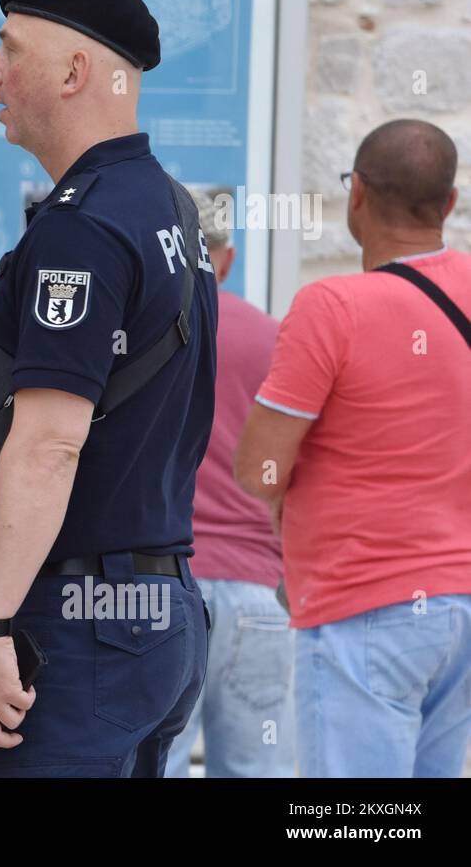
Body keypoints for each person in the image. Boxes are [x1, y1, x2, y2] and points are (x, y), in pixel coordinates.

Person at [0, 0, 218, 777]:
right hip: (156, 613)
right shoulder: (167, 206)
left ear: (73, 74)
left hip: (80, 626)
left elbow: (50, 443)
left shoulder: (84, 226)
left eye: (9, 49)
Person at [236, 119, 471, 778]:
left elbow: (259, 468)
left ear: (357, 195)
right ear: (449, 204)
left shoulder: (331, 306)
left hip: (363, 602)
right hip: (460, 599)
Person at [163, 190, 294, 778]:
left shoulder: (135, 332)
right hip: (255, 596)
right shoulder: (274, 340)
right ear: (228, 258)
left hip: (157, 589)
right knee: (255, 768)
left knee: (151, 765)